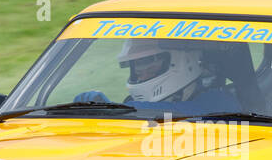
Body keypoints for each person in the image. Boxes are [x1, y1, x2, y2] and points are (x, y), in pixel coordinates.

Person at [76, 40, 238, 114]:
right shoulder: (135, 106)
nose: (141, 74)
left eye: (149, 65)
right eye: (136, 68)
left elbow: (181, 113)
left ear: (182, 62)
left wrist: (118, 110)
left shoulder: (219, 101)